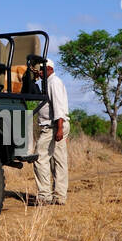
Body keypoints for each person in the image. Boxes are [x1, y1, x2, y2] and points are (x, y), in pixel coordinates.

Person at [33, 59, 69, 205]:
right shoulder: (47, 82)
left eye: (41, 70)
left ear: (49, 68)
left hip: (54, 126)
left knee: (40, 158)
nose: (39, 73)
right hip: (55, 125)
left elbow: (59, 107)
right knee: (58, 160)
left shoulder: (54, 83)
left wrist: (59, 128)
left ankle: (44, 196)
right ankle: (60, 197)